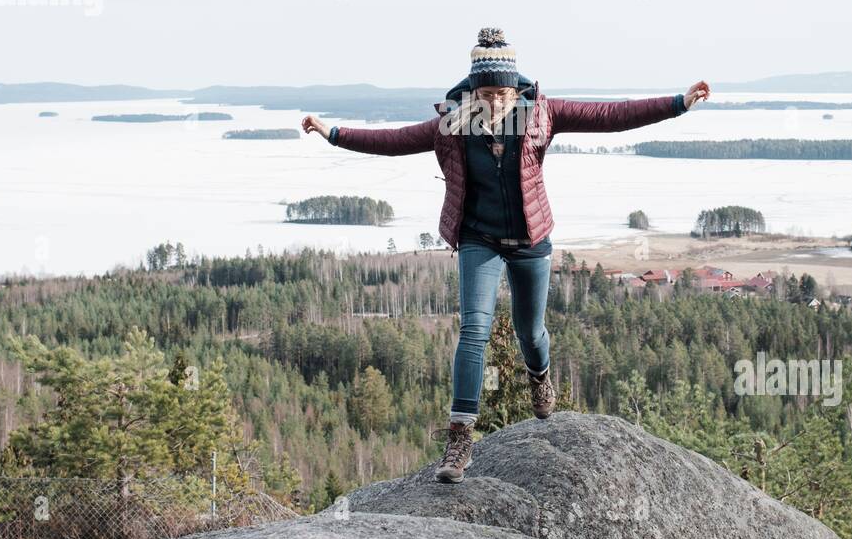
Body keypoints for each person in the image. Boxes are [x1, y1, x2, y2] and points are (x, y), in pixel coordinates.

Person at [302, 27, 709, 482]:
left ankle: (540, 376)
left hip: (531, 241)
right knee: (473, 329)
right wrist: (332, 132)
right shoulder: (452, 125)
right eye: (487, 93)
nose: (495, 103)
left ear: (516, 89)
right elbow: (394, 140)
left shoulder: (541, 113)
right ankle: (460, 440)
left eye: (503, 93)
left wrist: (677, 103)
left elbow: (609, 114)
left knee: (530, 332)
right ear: (473, 92)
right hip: (480, 238)